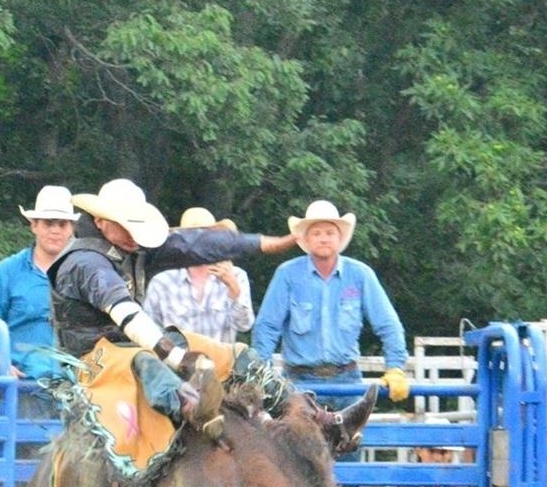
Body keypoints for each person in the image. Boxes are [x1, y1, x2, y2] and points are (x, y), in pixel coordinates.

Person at [48, 179, 371, 450]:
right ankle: (192, 407)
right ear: (101, 222)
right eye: (127, 226)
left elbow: (197, 244)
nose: (135, 235)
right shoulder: (85, 263)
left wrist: (263, 243)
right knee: (144, 363)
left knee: (236, 356)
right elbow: (126, 313)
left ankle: (319, 421)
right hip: (92, 361)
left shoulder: (131, 247)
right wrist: (173, 355)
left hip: (135, 347)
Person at [252, 199, 411, 404]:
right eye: (316, 233)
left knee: (352, 436)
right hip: (298, 382)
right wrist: (261, 375)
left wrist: (395, 368)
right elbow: (267, 326)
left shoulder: (360, 275)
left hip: (348, 380)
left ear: (340, 237)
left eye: (329, 233)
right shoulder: (287, 275)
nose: (323, 239)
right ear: (306, 240)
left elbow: (388, 324)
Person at [0, 185, 76, 416]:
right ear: (34, 225)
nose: (55, 230)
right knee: (26, 451)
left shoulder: (85, 272)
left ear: (71, 229)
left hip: (77, 389)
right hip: (22, 387)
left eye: (62, 224)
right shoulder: (8, 271)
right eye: (49, 223)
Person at [142, 207, 255, 345]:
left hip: (222, 364)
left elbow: (244, 325)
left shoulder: (237, 275)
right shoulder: (161, 283)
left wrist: (234, 289)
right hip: (175, 364)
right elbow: (149, 334)